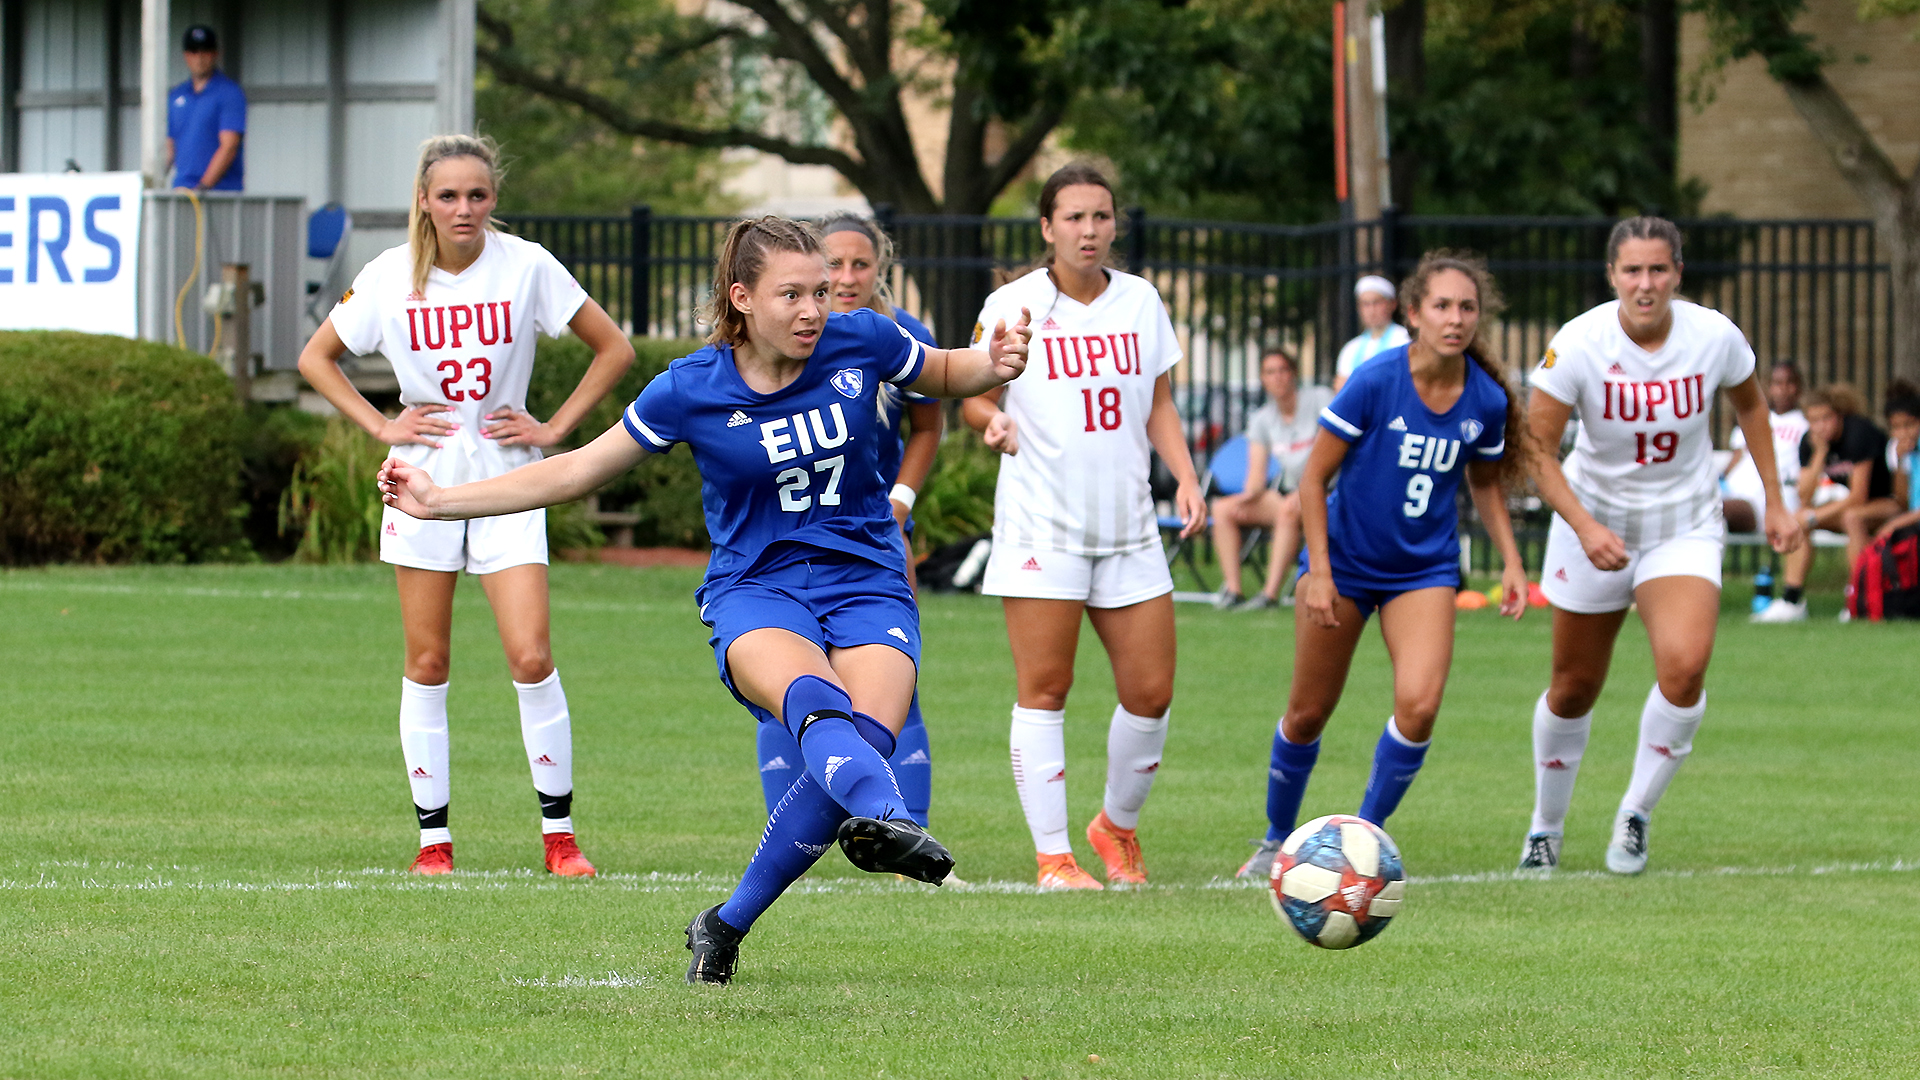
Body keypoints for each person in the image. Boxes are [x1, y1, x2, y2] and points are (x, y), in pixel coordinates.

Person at [378, 216, 1031, 985]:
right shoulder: (691, 386)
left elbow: (947, 372)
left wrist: (996, 361)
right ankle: (892, 822)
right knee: (818, 710)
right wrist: (440, 499)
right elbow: (573, 472)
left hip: (868, 580)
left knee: (861, 744)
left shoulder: (864, 340)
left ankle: (723, 925)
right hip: (759, 590)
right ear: (742, 297)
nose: (813, 309)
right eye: (791, 293)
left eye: (821, 290)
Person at [297, 135, 635, 877]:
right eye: (447, 195)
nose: (463, 208)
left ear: (493, 200)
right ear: (423, 199)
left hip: (512, 481)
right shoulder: (389, 276)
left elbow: (614, 349)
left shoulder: (528, 265)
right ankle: (434, 845)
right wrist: (384, 426)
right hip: (418, 486)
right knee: (426, 659)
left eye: (477, 195)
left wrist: (552, 430)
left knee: (532, 654)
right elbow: (315, 358)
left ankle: (559, 838)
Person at [1234, 252, 1529, 882]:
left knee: (1419, 707)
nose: (1455, 319)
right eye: (1442, 306)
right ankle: (1274, 841)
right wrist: (1318, 571)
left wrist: (1510, 560)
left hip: (1423, 570)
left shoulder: (1486, 399)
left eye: (1467, 308)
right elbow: (1313, 479)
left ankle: (1361, 845)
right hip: (1345, 562)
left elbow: (1483, 485)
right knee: (1308, 713)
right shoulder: (1374, 379)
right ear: (1414, 313)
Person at [1518, 216, 1797, 876]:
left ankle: (1636, 813)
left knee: (1685, 666)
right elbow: (1535, 447)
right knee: (1574, 686)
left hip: (1683, 525)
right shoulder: (1578, 343)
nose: (1646, 284)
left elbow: (1752, 408)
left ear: (1678, 272)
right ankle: (1545, 828)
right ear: (1611, 276)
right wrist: (1586, 527)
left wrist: (1777, 499)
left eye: (1658, 269)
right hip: (1594, 525)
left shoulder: (1713, 335)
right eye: (1632, 270)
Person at [962, 163, 1208, 891]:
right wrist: (992, 417)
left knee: (1151, 692)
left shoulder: (1141, 303)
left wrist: (1187, 475)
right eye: (1073, 217)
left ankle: (1115, 829)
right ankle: (1054, 857)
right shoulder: (1012, 304)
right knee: (1046, 687)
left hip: (1129, 528)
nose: (1089, 230)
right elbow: (974, 391)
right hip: (1043, 528)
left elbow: (1159, 404)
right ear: (1047, 228)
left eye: (1101, 216)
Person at [753, 212, 946, 830]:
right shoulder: (773, 342)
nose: (845, 276)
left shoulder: (893, 336)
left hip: (874, 531)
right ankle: (791, 832)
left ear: (879, 267)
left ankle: (903, 825)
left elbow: (930, 424)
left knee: (893, 675)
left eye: (859, 263)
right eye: (832, 264)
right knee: (794, 686)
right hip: (783, 543)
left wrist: (903, 499)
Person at [1752, 384, 1890, 623]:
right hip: (1852, 508)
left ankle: (1858, 600)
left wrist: (1815, 517)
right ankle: (1792, 600)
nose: (1820, 426)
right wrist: (1819, 455)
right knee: (1798, 519)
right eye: (1813, 420)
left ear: (1839, 416)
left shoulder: (1859, 433)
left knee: (1850, 518)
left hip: (1886, 505)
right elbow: (1804, 496)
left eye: (1826, 418)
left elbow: (1859, 496)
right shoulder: (1810, 442)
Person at [1209, 348, 1333, 610]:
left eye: (1283, 370)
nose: (1278, 378)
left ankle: (1269, 595)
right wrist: (1245, 497)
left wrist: (1308, 492)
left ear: (1294, 374)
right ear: (1263, 379)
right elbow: (1256, 476)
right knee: (1223, 509)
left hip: (1327, 493)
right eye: (1270, 372)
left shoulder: (1320, 399)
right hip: (1290, 494)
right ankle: (1233, 590)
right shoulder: (1262, 419)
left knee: (1289, 508)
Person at [1720, 360, 1808, 532]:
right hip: (1734, 490)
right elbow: (1735, 460)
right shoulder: (1755, 420)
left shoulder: (1806, 425)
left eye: (1789, 383)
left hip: (1765, 500)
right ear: (1769, 387)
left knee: (1716, 510)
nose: (1783, 389)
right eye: (1777, 383)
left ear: (1799, 388)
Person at [166, 26, 246, 193]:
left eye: (206, 51)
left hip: (220, 193)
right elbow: (169, 147)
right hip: (182, 190)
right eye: (194, 51)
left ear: (216, 53)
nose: (200, 58)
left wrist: (203, 187)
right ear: (186, 55)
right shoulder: (176, 96)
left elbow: (229, 145)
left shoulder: (229, 93)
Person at [1333, 275, 1411, 391]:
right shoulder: (1351, 348)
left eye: (1377, 303)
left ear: (1392, 304)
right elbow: (1340, 388)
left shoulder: (1405, 339)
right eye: (1365, 304)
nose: (1371, 310)